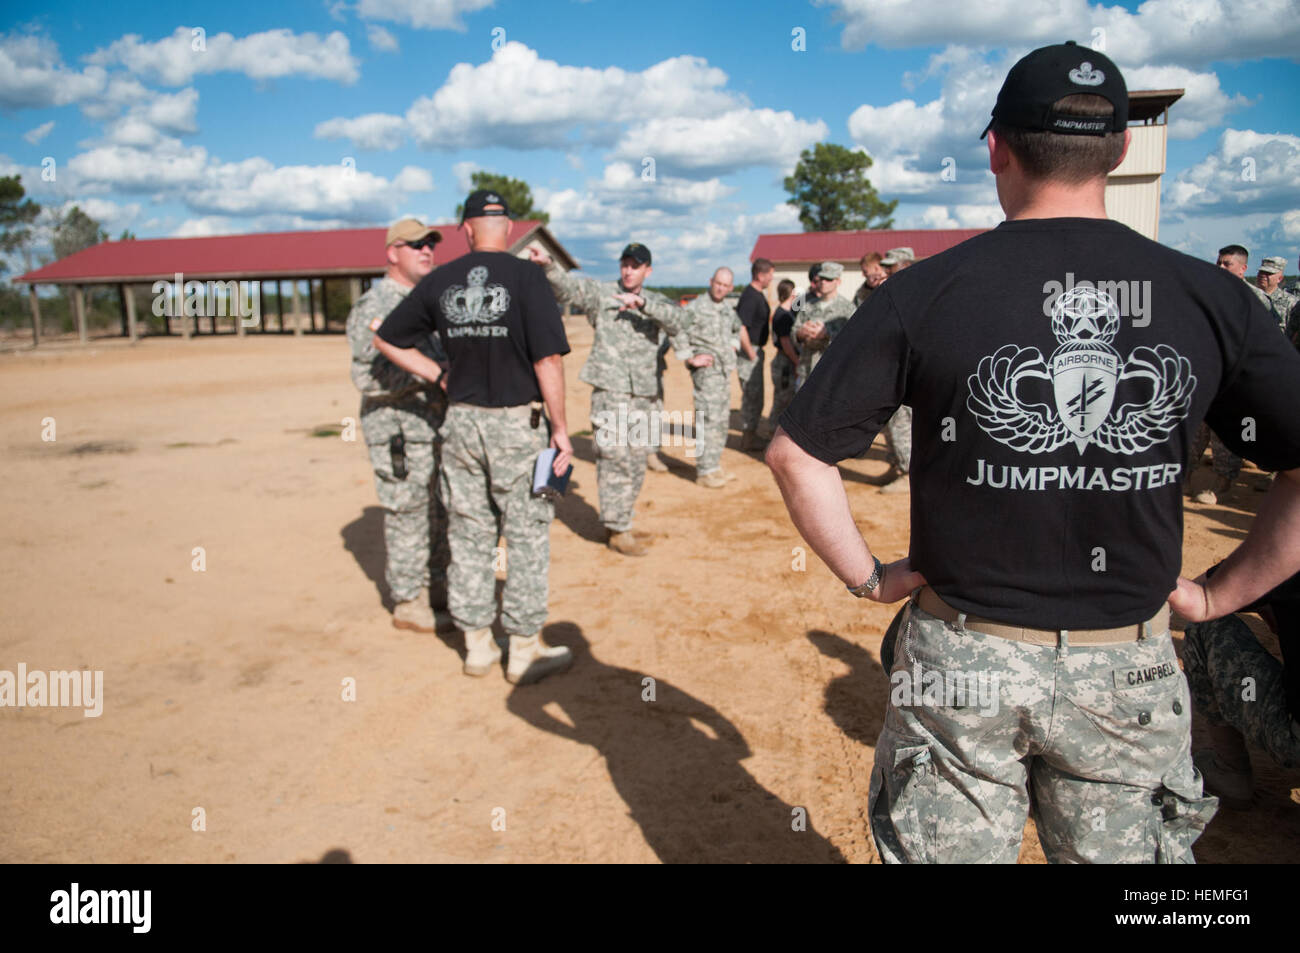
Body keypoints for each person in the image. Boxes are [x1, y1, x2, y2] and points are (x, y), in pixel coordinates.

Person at [767, 41, 1300, 864]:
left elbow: (798, 454)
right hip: (1127, 660)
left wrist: (869, 577)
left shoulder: (923, 292)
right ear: (1121, 151)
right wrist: (1219, 595)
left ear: (996, 150)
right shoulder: (1213, 299)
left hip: (961, 658)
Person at [374, 189, 574, 685]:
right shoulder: (529, 277)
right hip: (515, 425)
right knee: (525, 535)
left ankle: (478, 647)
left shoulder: (440, 281)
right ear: (506, 228)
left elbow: (386, 337)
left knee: (469, 534)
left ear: (465, 230)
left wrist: (437, 374)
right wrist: (562, 429)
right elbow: (547, 360)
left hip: (460, 422)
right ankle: (524, 649)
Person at [529, 242, 689, 557]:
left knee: (636, 460)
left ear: (648, 271)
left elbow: (679, 322)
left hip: (645, 393)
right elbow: (570, 290)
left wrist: (642, 305)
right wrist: (548, 264)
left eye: (636, 265)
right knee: (613, 458)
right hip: (611, 392)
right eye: (625, 264)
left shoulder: (655, 302)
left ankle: (622, 520)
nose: (629, 270)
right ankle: (617, 529)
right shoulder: (603, 295)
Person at [345, 218, 449, 632]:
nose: (427, 250)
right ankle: (409, 601)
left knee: (439, 508)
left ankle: (438, 587)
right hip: (399, 430)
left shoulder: (429, 300)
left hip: (433, 426)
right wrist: (434, 373)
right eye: (415, 244)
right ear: (392, 253)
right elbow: (368, 376)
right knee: (408, 510)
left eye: (430, 244)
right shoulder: (377, 305)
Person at [1184, 565, 1300, 809]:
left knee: (1205, 625)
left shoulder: (1287, 557)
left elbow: (1201, 592)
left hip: (1294, 741)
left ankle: (1229, 769)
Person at [670, 267, 755, 487]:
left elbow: (737, 329)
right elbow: (676, 330)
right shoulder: (695, 308)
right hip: (706, 374)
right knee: (708, 419)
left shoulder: (727, 309)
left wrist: (734, 346)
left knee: (720, 421)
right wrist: (690, 358)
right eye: (718, 283)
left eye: (726, 285)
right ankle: (705, 470)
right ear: (711, 281)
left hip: (723, 372)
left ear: (730, 287)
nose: (721, 288)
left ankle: (714, 466)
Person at [791, 261, 853, 390]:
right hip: (807, 372)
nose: (823, 282)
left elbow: (853, 341)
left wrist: (828, 335)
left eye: (828, 279)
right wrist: (801, 333)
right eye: (822, 279)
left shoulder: (848, 309)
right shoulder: (807, 305)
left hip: (832, 374)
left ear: (838, 281)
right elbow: (794, 332)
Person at [736, 258, 774, 450]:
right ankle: (748, 439)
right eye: (770, 275)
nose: (771, 279)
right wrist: (751, 354)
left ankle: (751, 436)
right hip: (750, 352)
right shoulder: (751, 296)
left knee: (756, 396)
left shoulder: (757, 294)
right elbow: (741, 327)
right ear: (760, 275)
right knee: (752, 396)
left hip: (755, 351)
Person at [769, 279, 800, 425]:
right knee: (783, 399)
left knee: (785, 397)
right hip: (785, 362)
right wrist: (797, 362)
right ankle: (774, 429)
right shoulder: (783, 315)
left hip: (786, 360)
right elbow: (786, 343)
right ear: (790, 293)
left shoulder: (788, 312)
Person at [1256, 256, 1297, 332]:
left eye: (1268, 273)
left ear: (1280, 278)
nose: (1263, 275)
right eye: (1261, 272)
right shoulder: (1249, 297)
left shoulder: (1290, 302)